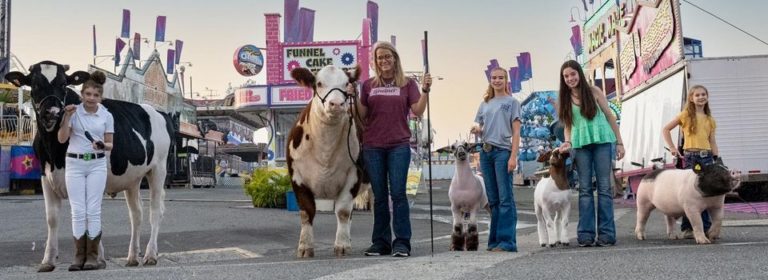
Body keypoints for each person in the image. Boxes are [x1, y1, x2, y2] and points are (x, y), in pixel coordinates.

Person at [355, 41, 431, 257]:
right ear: (375, 61)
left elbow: (417, 109)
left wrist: (425, 91)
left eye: (387, 56)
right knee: (379, 196)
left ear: (395, 58)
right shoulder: (368, 85)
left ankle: (402, 242)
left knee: (398, 194)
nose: (384, 61)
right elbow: (361, 115)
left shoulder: (407, 84)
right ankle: (380, 242)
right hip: (373, 146)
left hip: (399, 145)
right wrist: (352, 94)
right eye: (379, 57)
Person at [556, 60, 625, 247]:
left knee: (604, 188)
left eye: (573, 74)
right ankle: (585, 235)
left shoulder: (594, 91)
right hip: (580, 145)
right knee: (585, 189)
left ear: (579, 73)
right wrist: (568, 142)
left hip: (602, 142)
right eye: (566, 76)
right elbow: (568, 125)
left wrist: (619, 142)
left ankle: (607, 235)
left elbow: (610, 115)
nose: (570, 78)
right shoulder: (564, 98)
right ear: (563, 79)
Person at [57, 71, 114, 271]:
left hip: (97, 164)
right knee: (78, 211)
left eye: (95, 95)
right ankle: (78, 256)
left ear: (100, 97)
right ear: (82, 94)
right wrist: (66, 117)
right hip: (75, 164)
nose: (91, 98)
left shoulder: (106, 115)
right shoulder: (74, 112)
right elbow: (62, 139)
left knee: (93, 210)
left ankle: (92, 257)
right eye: (87, 94)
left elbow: (110, 145)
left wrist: (102, 145)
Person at [469, 67, 522, 252]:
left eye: (501, 77)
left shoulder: (512, 103)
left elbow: (516, 132)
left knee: (505, 198)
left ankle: (507, 242)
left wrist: (513, 156)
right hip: (486, 152)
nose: (497, 80)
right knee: (493, 200)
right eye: (494, 78)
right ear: (490, 80)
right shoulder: (485, 104)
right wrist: (478, 130)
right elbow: (484, 127)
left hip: (503, 152)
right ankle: (494, 241)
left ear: (506, 80)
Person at [662, 85, 718, 238]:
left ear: (707, 97)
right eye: (697, 95)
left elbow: (712, 141)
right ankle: (688, 228)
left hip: (706, 156)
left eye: (703, 94)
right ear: (691, 99)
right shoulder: (685, 115)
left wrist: (716, 158)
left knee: (706, 191)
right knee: (691, 193)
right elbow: (666, 129)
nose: (701, 97)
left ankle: (705, 228)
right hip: (691, 157)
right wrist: (673, 147)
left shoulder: (710, 120)